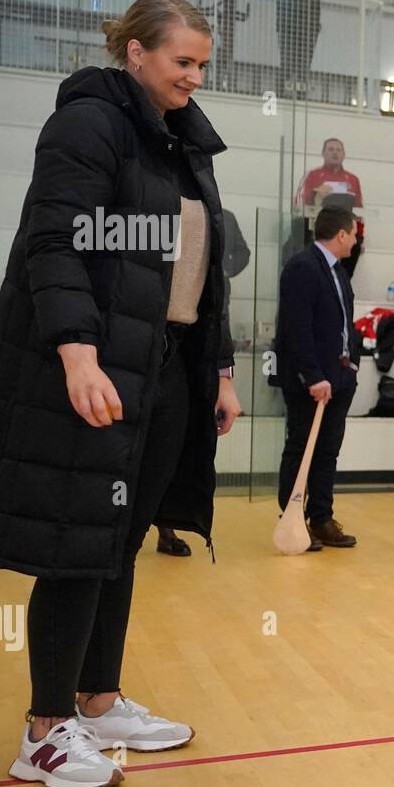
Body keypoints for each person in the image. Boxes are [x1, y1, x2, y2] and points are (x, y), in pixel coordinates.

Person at [0, 0, 242, 787]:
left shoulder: (181, 141)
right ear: (135, 53)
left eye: (203, 64)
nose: (194, 76)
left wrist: (216, 366)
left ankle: (99, 700)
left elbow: (201, 266)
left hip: (163, 369)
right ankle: (43, 732)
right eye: (183, 61)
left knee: (120, 539)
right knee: (78, 545)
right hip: (95, 370)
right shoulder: (86, 124)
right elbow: (54, 241)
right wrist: (78, 354)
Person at [157, 205, 251, 558]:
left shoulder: (221, 215)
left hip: (193, 363)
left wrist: (224, 376)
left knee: (177, 449)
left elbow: (241, 253)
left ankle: (166, 526)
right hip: (148, 356)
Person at [271, 205, 361, 550]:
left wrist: (350, 365)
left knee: (327, 451)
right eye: (353, 234)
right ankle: (292, 519)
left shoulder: (338, 271)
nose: (355, 241)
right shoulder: (302, 267)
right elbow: (296, 328)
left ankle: (321, 519)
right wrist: (312, 375)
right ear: (341, 234)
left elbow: (342, 325)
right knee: (300, 449)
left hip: (338, 379)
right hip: (310, 382)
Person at [269, 0, 334, 94]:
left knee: (304, 63)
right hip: (287, 23)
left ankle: (301, 94)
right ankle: (280, 93)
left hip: (309, 25)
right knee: (287, 60)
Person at [295, 137, 364, 210]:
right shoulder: (312, 175)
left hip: (344, 221)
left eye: (338, 150)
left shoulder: (353, 179)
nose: (335, 152)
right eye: (331, 149)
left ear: (343, 155)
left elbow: (359, 212)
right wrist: (317, 199)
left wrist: (359, 222)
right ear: (323, 153)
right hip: (317, 220)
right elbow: (298, 205)